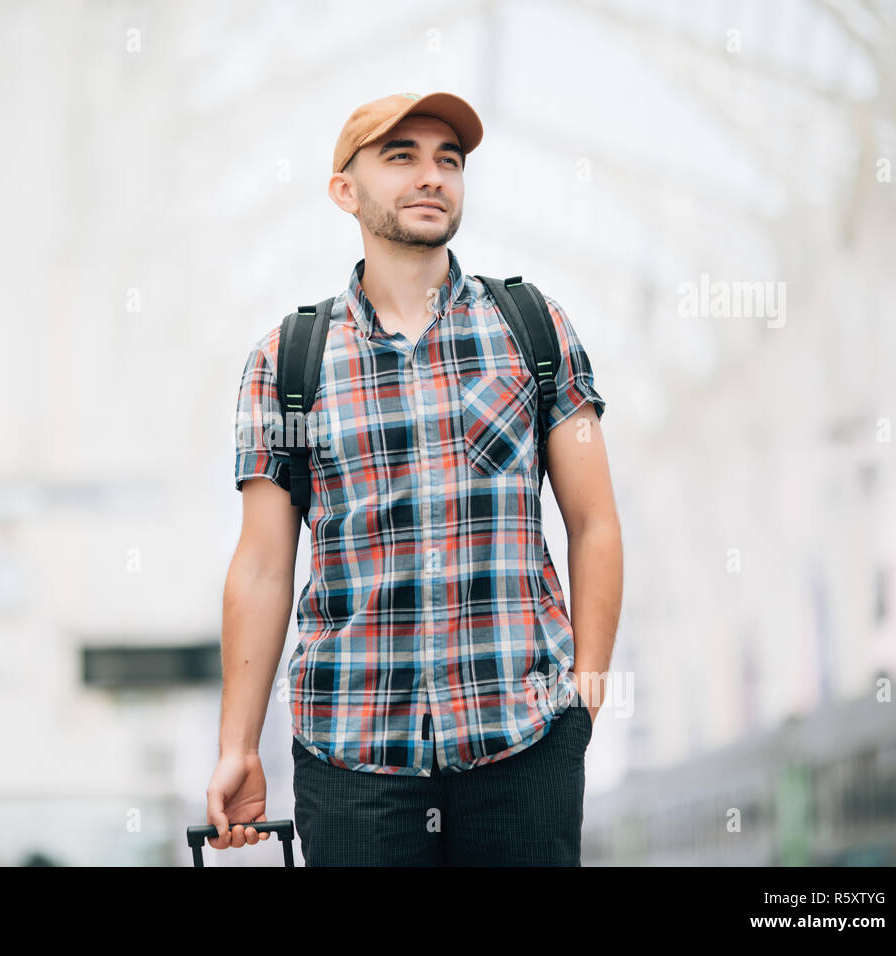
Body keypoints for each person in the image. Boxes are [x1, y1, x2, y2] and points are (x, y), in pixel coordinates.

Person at [206, 92, 622, 866]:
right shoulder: (285, 364)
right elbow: (262, 565)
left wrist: (584, 695)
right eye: (401, 157)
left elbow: (593, 522)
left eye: (448, 160)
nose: (432, 176)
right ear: (345, 190)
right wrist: (238, 743)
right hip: (352, 757)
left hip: (523, 741)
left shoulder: (534, 329)